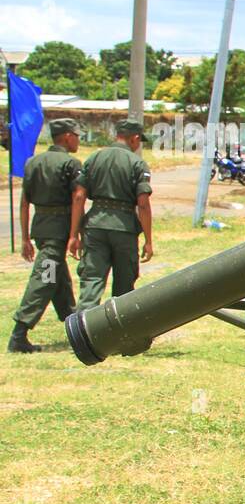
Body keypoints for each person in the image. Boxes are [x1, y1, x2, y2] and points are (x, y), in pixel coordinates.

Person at [9, 119, 83, 353]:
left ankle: (76, 326)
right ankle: (19, 333)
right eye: (77, 135)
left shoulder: (33, 162)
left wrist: (24, 238)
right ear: (67, 137)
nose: (78, 140)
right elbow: (77, 199)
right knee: (45, 278)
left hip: (41, 230)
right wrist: (74, 235)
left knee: (59, 279)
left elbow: (23, 203)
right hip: (57, 234)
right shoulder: (71, 163)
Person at [68, 118, 154, 309]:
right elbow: (143, 204)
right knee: (124, 285)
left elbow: (79, 196)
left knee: (91, 282)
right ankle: (120, 333)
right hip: (124, 228)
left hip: (95, 225)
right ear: (135, 138)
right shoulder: (137, 163)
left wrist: (74, 234)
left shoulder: (94, 158)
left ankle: (84, 333)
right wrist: (148, 240)